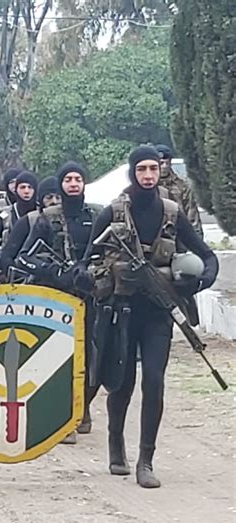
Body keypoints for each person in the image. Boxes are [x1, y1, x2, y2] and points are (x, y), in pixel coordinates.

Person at [85, 145, 218, 488]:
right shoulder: (113, 213)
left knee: (154, 382)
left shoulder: (172, 212)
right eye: (141, 169)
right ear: (133, 172)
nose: (147, 175)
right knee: (122, 382)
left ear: (160, 173)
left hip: (159, 312)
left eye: (152, 170)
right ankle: (117, 447)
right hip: (121, 310)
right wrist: (107, 276)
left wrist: (201, 280)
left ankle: (147, 459)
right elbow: (85, 261)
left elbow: (206, 255)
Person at [15, 163, 97, 440]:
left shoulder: (96, 215)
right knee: (59, 356)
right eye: (68, 180)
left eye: (78, 179)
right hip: (55, 299)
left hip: (89, 295)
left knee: (91, 356)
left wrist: (90, 272)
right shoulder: (47, 218)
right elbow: (24, 256)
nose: (73, 184)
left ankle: (82, 408)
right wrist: (54, 272)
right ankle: (62, 417)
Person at [155, 144, 203, 238]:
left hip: (178, 238)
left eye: (167, 163)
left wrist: (198, 243)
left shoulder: (182, 186)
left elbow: (192, 215)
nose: (164, 166)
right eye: (161, 163)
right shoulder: (147, 186)